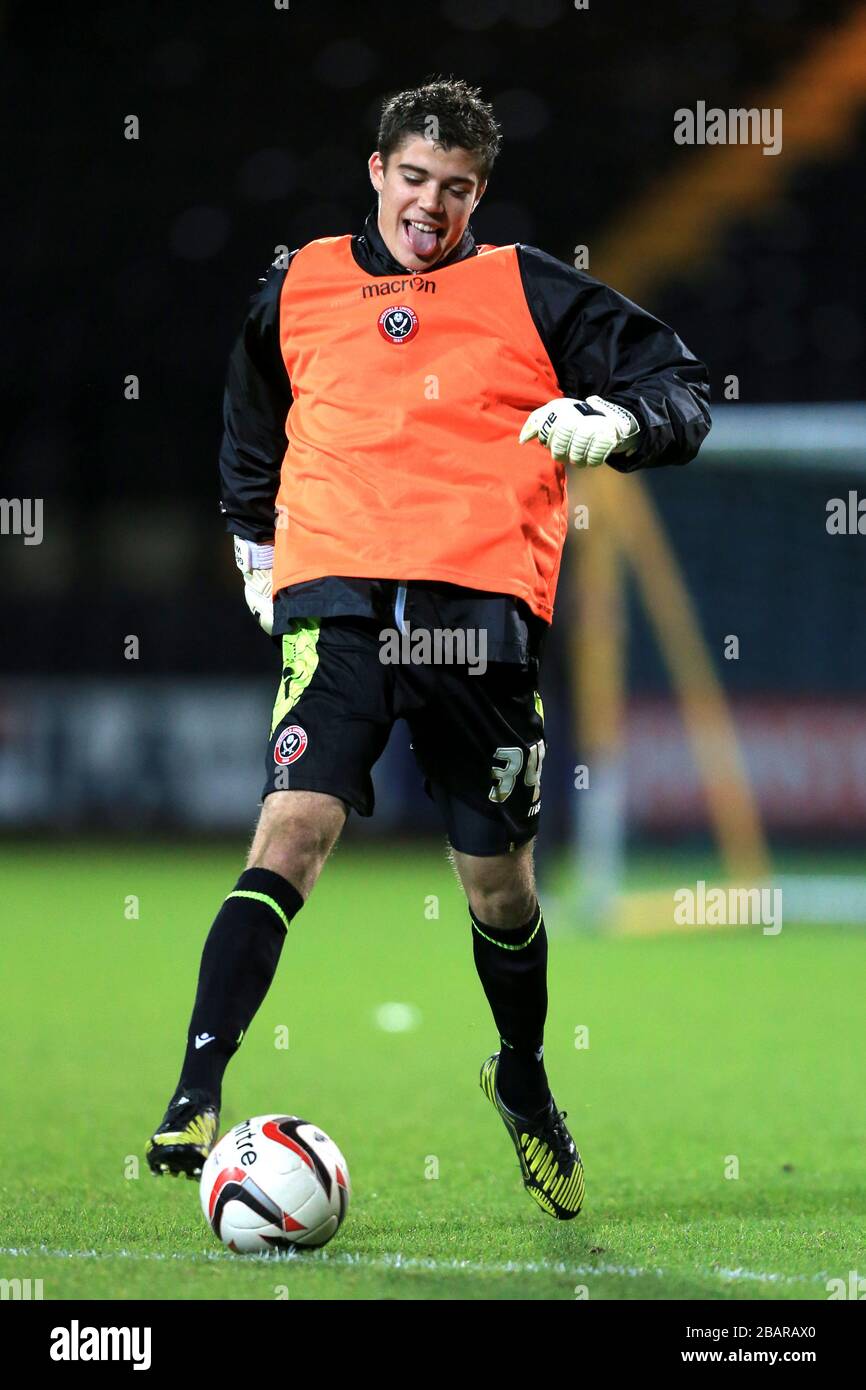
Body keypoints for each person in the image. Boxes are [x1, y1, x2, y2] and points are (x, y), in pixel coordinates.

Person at [146, 76, 711, 1221]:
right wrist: (257, 545)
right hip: (339, 603)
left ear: (478, 193)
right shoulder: (296, 282)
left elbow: (681, 388)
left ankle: (522, 1075)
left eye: (455, 189)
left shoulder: (523, 286)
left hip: (481, 615)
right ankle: (194, 1089)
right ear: (376, 173)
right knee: (292, 825)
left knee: (497, 888)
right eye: (413, 180)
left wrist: (617, 422)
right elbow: (251, 414)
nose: (430, 206)